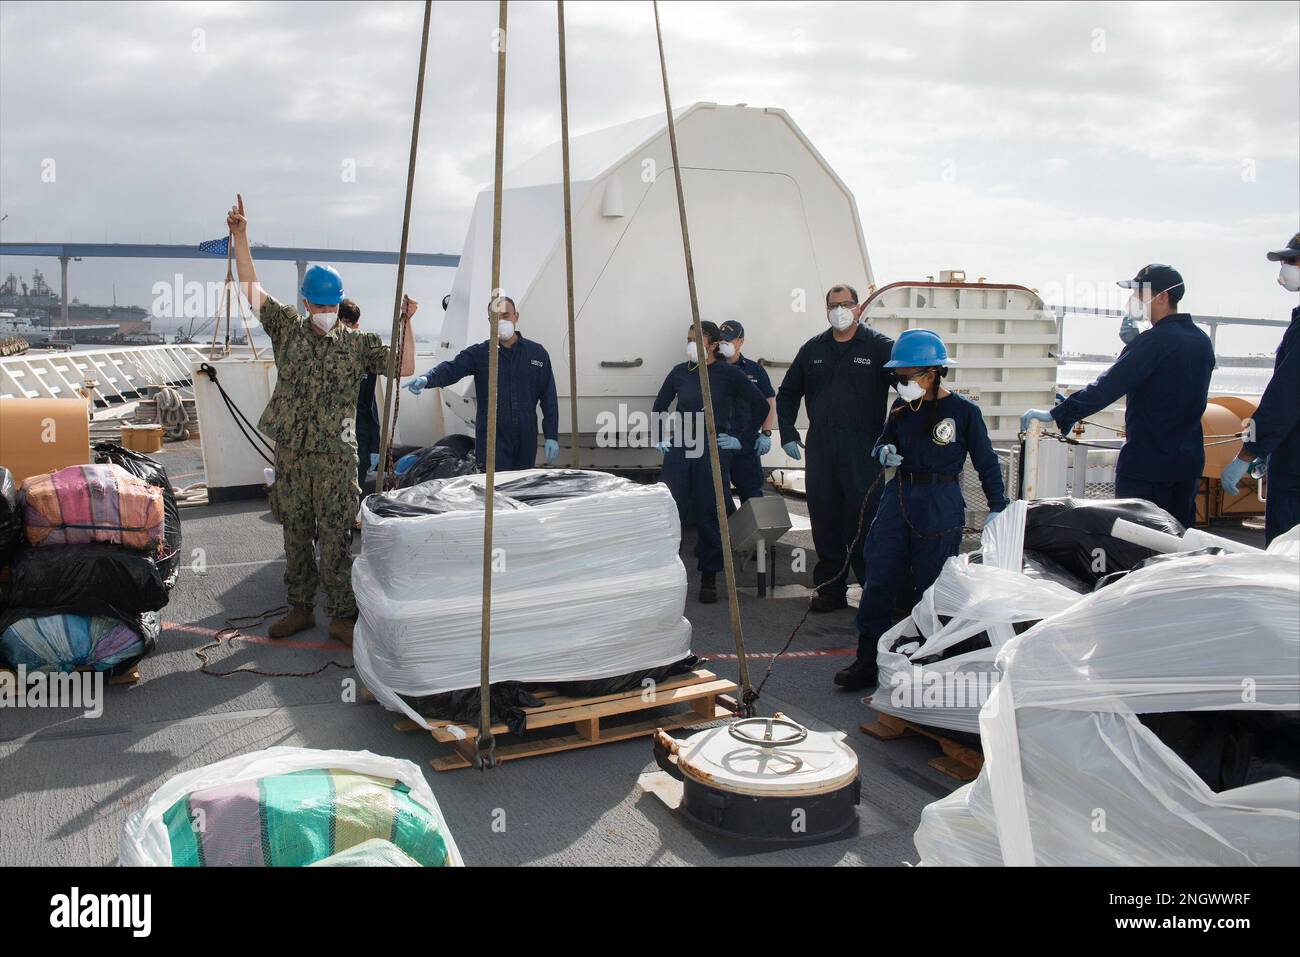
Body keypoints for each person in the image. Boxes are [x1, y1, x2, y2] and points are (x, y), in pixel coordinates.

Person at [226, 195, 416, 645]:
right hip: (292, 452)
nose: (328, 314)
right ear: (307, 304)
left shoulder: (357, 343)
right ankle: (299, 609)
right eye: (321, 306)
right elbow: (251, 289)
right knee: (295, 530)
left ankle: (341, 615)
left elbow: (404, 368)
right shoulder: (287, 329)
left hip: (336, 455)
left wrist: (406, 322)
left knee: (335, 535)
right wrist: (241, 238)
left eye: (333, 306)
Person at [837, 329, 1007, 690]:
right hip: (899, 495)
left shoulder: (963, 412)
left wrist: (998, 505)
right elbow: (883, 441)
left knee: (932, 585)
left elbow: (986, 461)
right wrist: (882, 452)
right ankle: (867, 660)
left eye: (906, 377)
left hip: (940, 501)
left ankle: (928, 664)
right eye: (896, 377)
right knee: (879, 576)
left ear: (932, 373)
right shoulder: (900, 409)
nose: (900, 383)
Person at [1022, 264, 1213, 528]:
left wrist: (1061, 412)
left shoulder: (1154, 341)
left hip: (1148, 462)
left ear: (1162, 297)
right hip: (1187, 462)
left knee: (1138, 539)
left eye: (1139, 292)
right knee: (1180, 539)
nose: (1133, 299)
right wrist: (1136, 345)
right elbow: (1170, 382)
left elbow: (1111, 384)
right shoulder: (1201, 340)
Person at [776, 284, 894, 612]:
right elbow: (787, 393)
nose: (839, 310)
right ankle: (830, 589)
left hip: (863, 448)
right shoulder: (813, 349)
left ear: (858, 308)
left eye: (846, 304)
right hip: (822, 448)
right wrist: (786, 432)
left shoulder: (879, 347)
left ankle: (873, 588)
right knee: (825, 518)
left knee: (863, 520)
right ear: (826, 309)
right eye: (833, 305)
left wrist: (895, 437)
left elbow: (907, 390)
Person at [653, 321, 769, 603]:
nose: (691, 344)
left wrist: (741, 438)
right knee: (669, 509)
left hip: (713, 448)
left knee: (709, 513)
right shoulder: (680, 372)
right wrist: (660, 436)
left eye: (697, 339)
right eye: (688, 338)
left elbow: (761, 405)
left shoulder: (728, 374)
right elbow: (660, 405)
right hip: (682, 446)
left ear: (713, 344)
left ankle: (709, 577)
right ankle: (661, 573)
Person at [406, 295, 559, 470]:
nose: (501, 321)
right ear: (489, 321)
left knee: (521, 487)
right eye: (496, 318)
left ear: (516, 316)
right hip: (493, 438)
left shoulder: (537, 354)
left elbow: (549, 398)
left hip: (526, 437)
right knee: (492, 490)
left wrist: (551, 435)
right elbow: (452, 369)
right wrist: (427, 379)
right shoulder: (480, 354)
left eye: (506, 316)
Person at [1221, 233, 1300, 544]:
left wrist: (1249, 451)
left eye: (1292, 261)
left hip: (1295, 471)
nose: (1284, 268)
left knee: (1285, 564)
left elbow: (1286, 396)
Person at [718, 320, 775, 509]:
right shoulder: (712, 368)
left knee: (752, 495)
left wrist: (766, 433)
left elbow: (769, 401)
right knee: (719, 495)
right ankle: (729, 535)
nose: (723, 344)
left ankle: (754, 539)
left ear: (740, 341)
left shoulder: (754, 369)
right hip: (721, 440)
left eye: (728, 340)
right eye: (720, 340)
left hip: (745, 440)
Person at [339, 299, 381, 490]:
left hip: (358, 430)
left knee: (357, 483)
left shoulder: (366, 359)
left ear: (356, 327)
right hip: (330, 431)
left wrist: (375, 446)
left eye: (348, 325)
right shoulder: (321, 354)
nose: (344, 331)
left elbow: (370, 404)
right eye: (340, 324)